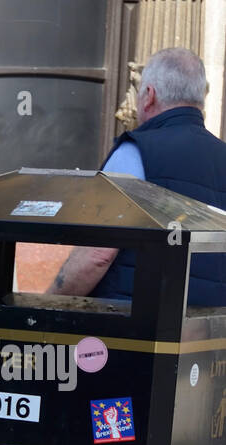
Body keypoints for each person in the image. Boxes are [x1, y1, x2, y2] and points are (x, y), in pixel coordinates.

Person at [51, 47, 226, 305]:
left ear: (149, 96)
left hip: (135, 324)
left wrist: (49, 302)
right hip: (209, 330)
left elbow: (98, 252)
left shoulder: (135, 151)